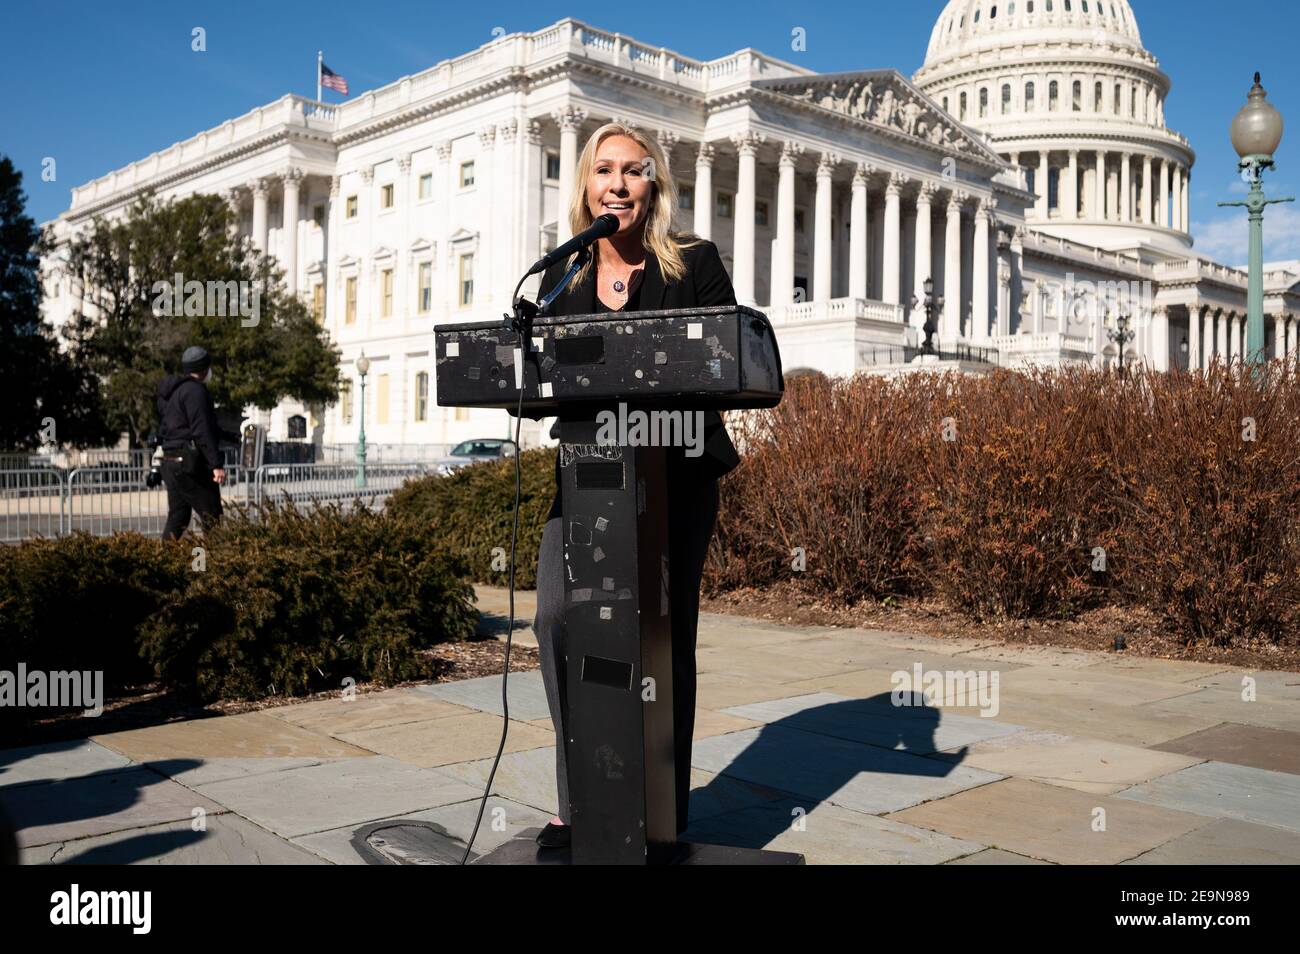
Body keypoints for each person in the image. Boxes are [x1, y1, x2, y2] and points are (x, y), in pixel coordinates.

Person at [527, 123, 741, 849]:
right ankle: (577, 800)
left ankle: (660, 814)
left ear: (655, 185)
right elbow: (546, 380)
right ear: (586, 186)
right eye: (604, 170)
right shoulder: (562, 279)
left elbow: (720, 362)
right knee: (555, 620)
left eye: (634, 171)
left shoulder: (696, 264)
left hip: (674, 474)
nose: (618, 183)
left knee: (660, 638)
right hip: (586, 478)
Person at [156, 345, 230, 540]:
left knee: (178, 516)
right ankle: (216, 564)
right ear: (204, 368)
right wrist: (216, 465)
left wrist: (230, 436)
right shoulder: (196, 392)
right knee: (212, 515)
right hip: (190, 463)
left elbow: (180, 427)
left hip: (171, 460)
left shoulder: (176, 392)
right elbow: (201, 430)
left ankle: (160, 562)